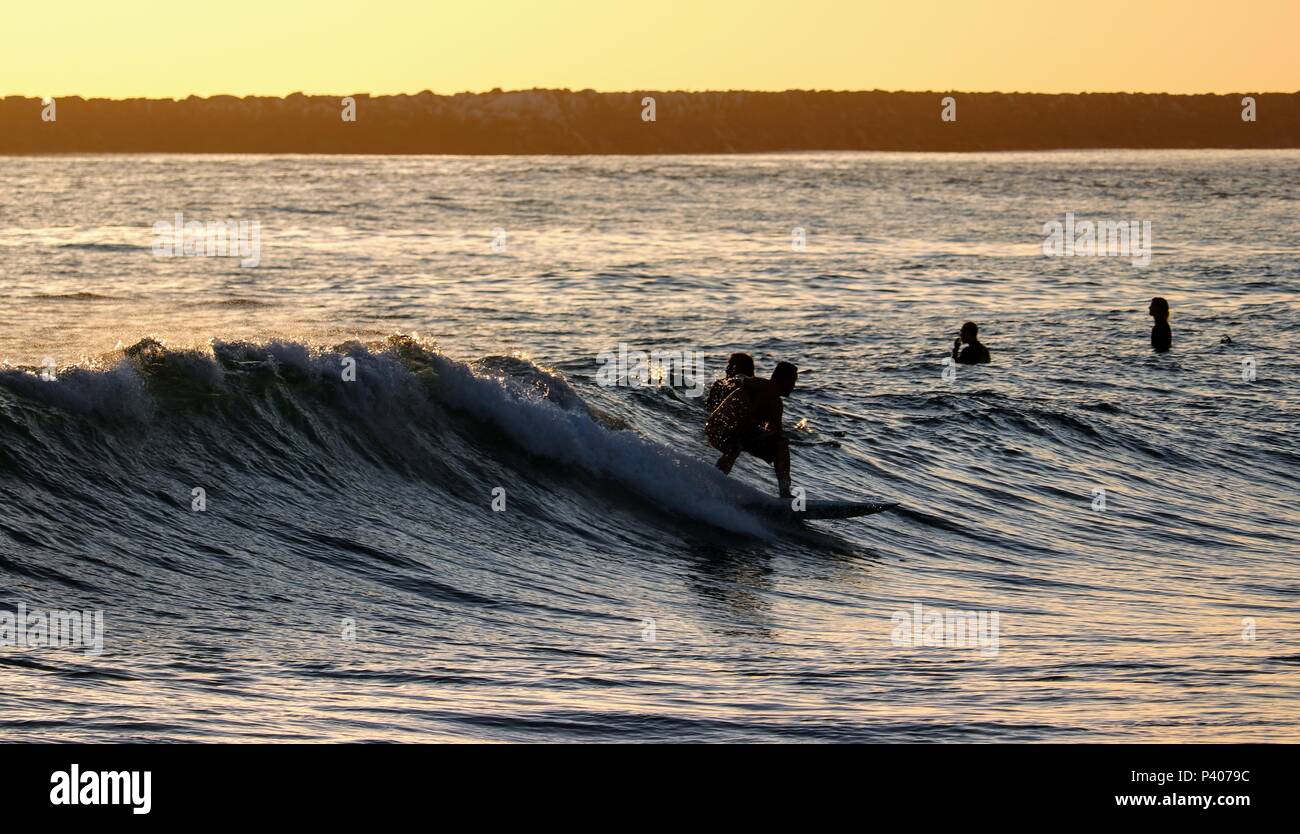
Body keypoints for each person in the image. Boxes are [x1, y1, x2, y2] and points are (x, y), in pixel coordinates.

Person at [705, 361, 797, 498]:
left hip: (743, 433)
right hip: (719, 427)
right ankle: (713, 484)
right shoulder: (759, 385)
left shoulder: (777, 405)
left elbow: (776, 435)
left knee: (781, 445)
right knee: (735, 445)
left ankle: (785, 492)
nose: (793, 386)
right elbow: (741, 379)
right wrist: (739, 380)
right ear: (782, 380)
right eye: (792, 381)